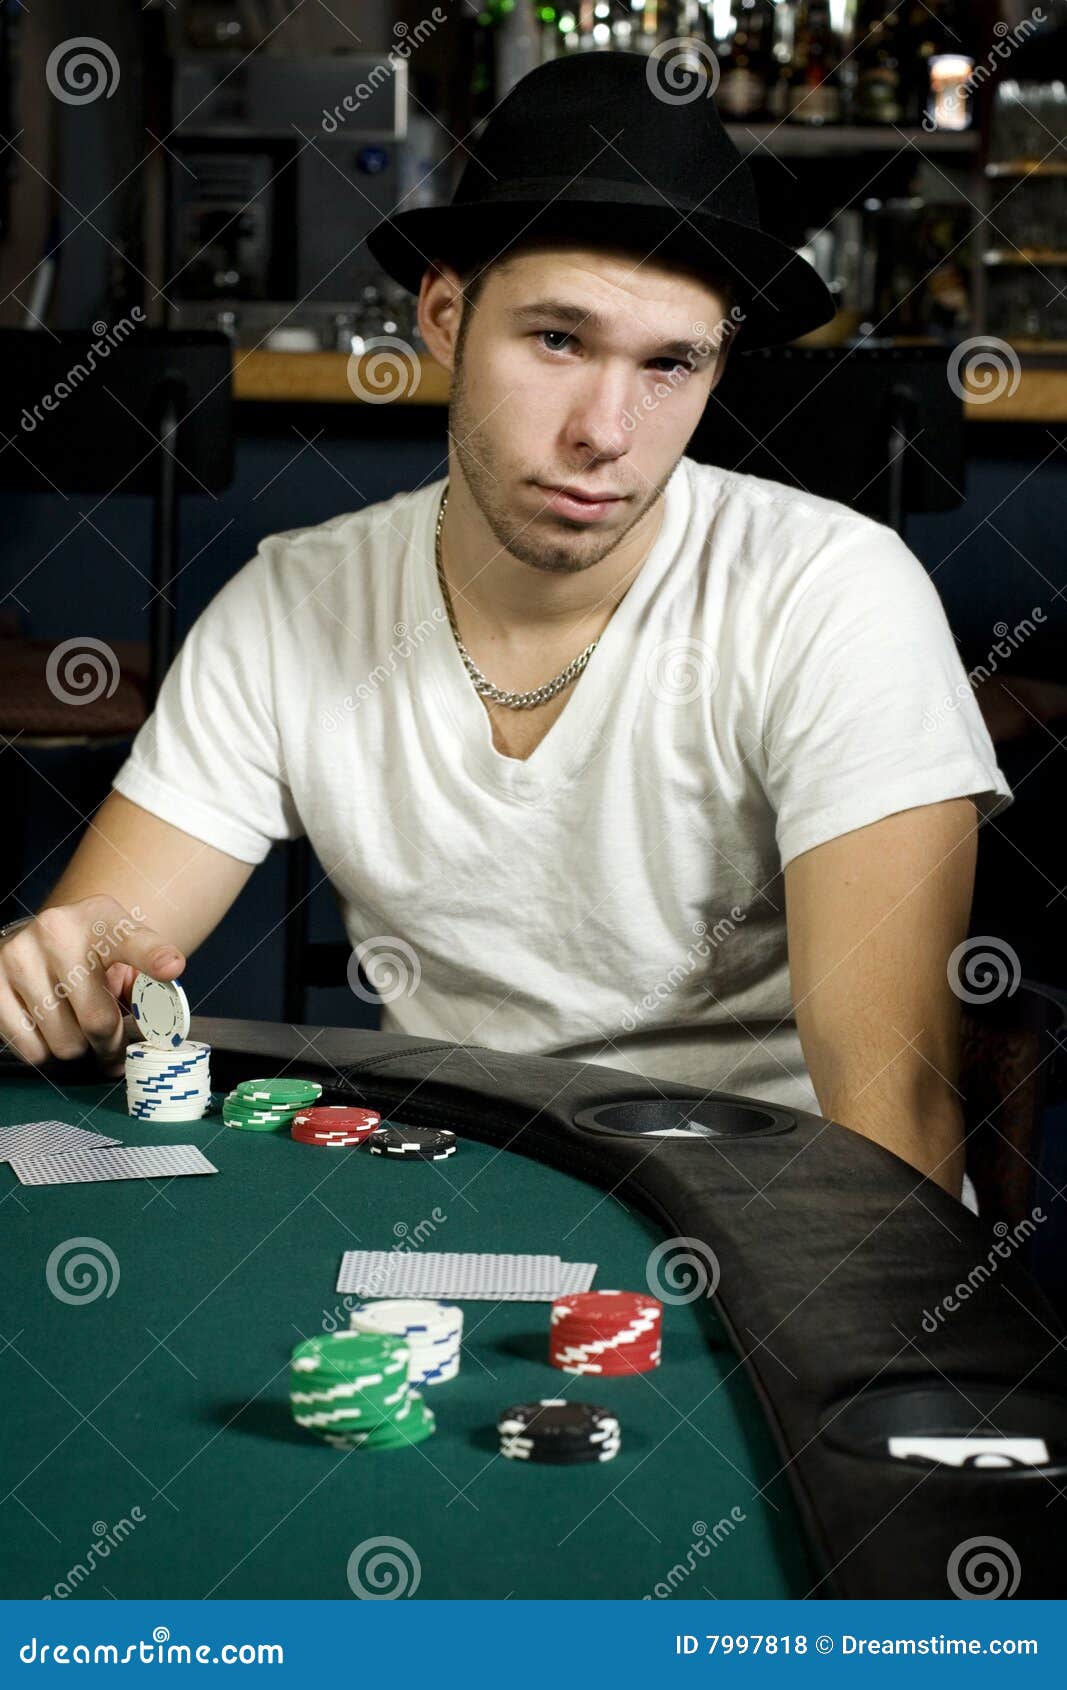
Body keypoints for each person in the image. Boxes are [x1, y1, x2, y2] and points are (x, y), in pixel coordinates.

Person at [0, 51, 1011, 1204]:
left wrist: (858, 1376)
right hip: (435, 1193)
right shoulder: (294, 605)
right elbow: (98, 958)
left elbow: (894, 1120)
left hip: (768, 1228)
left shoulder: (836, 596)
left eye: (668, 363)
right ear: (443, 316)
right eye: (556, 340)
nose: (604, 432)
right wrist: (60, 977)